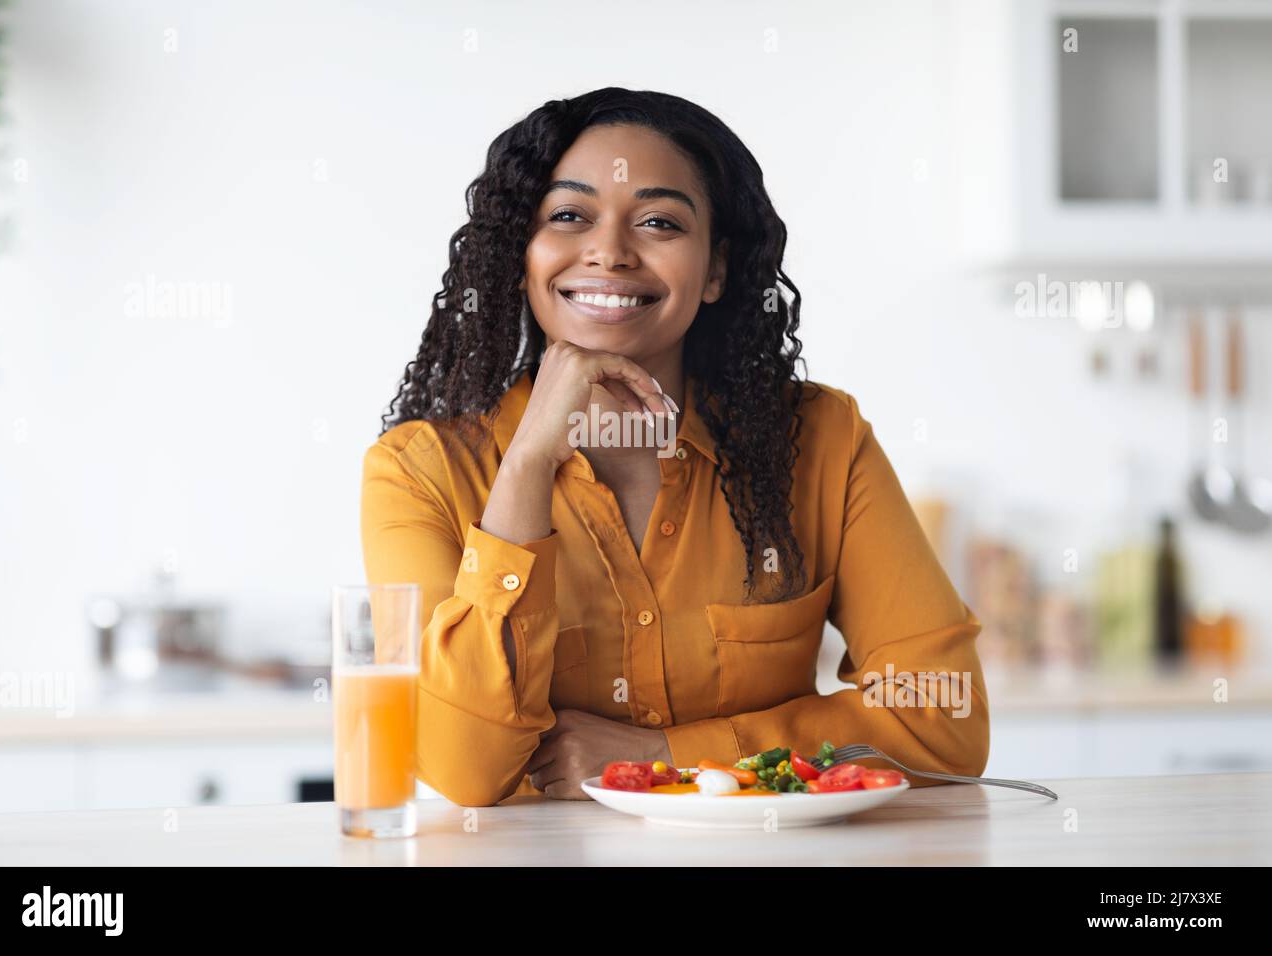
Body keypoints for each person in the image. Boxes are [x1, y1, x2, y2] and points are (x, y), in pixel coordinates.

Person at [362, 87, 988, 806]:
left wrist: (668, 758)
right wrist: (530, 462)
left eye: (659, 222)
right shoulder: (417, 473)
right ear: (520, 255)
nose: (609, 252)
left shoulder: (823, 442)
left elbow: (946, 721)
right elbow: (463, 769)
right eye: (569, 216)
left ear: (715, 269)